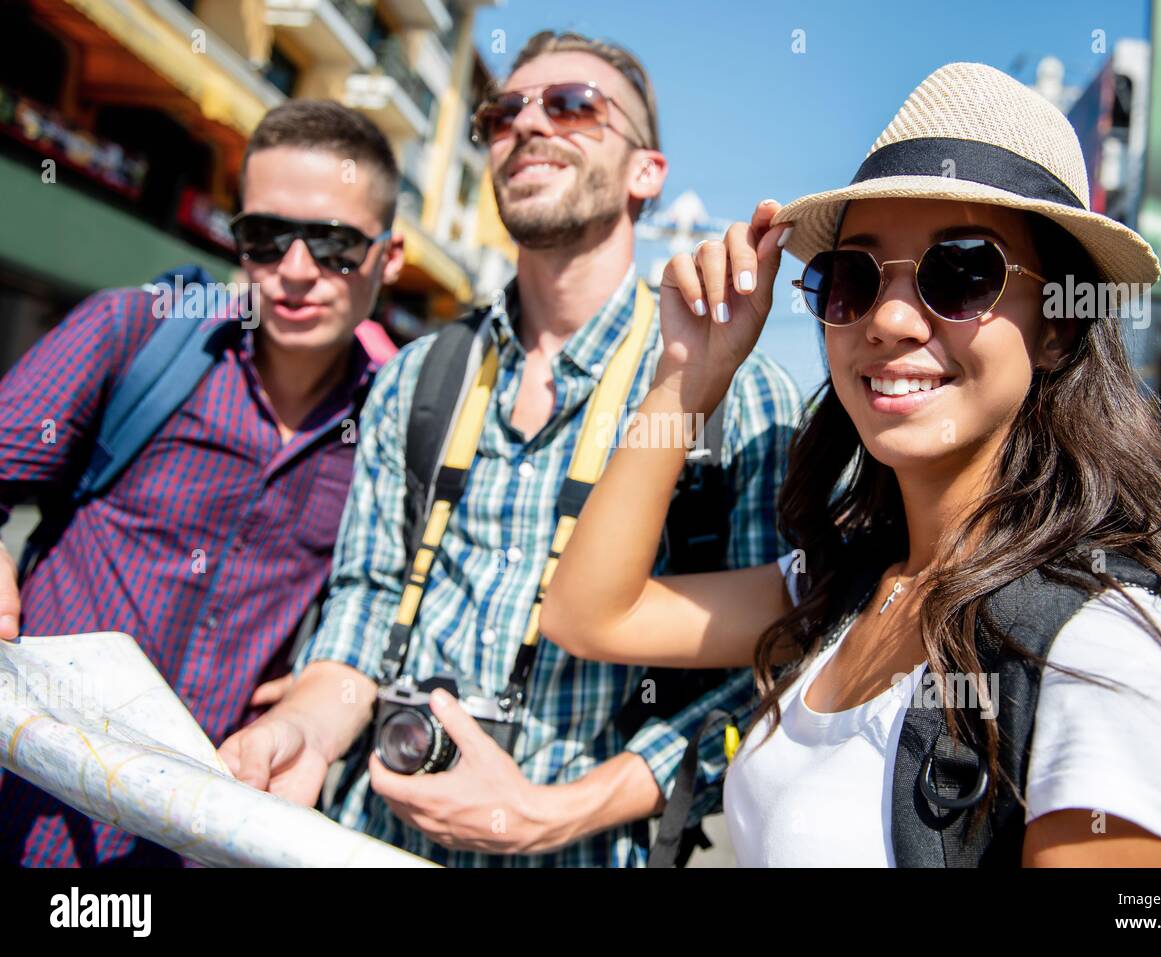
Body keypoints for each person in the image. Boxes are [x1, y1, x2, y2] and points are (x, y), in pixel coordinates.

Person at [540, 62, 1161, 867]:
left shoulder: (1107, 650)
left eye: (963, 270)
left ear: (1059, 329)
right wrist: (687, 377)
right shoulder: (850, 580)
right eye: (851, 279)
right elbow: (590, 615)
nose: (891, 318)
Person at [218, 31, 803, 867]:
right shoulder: (422, 376)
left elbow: (769, 668)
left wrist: (553, 812)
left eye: (572, 106)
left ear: (648, 173)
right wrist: (304, 726)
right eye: (502, 113)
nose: (527, 125)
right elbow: (366, 598)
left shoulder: (736, 392)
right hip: (362, 839)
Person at [0, 99, 404, 866]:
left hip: (199, 835)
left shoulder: (390, 426)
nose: (294, 269)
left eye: (335, 244)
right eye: (264, 235)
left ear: (390, 257)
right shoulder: (133, 330)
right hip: (24, 797)